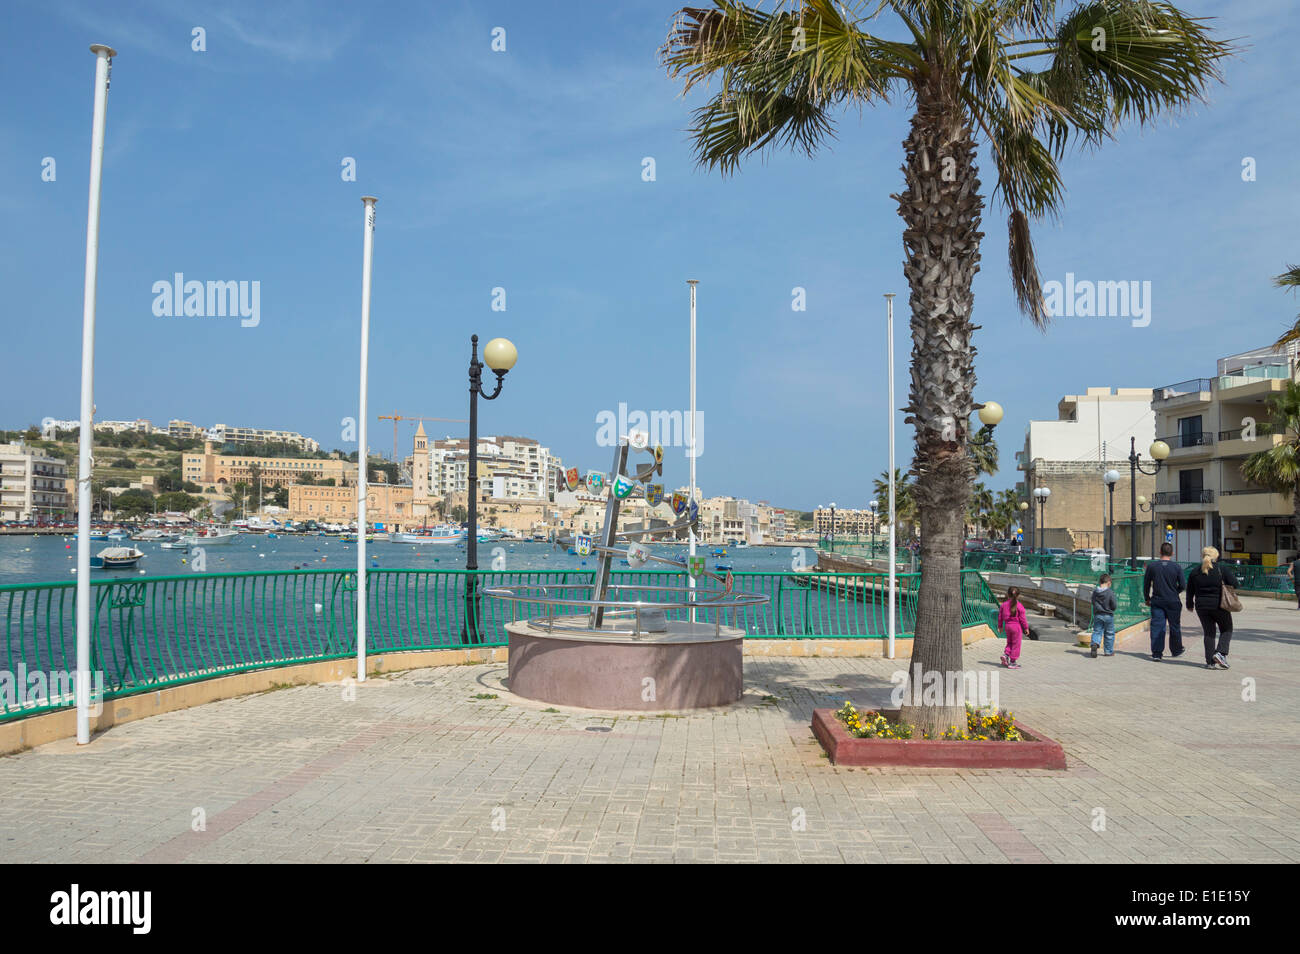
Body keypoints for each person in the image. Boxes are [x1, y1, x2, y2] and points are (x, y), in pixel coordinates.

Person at [1186, 546, 1238, 670]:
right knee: (1227, 629)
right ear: (1216, 556)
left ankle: (1210, 662)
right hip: (1219, 605)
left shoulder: (1195, 571)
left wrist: (1189, 604)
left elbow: (1189, 590)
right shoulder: (1222, 569)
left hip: (1201, 607)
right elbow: (1235, 583)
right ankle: (1220, 653)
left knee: (1209, 633)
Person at [1143, 541, 1186, 659]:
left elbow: (1146, 584)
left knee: (1157, 626)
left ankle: (1157, 653)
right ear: (1172, 553)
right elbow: (1182, 584)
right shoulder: (1176, 567)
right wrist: (1174, 592)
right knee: (1174, 626)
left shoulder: (1152, 566)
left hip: (1157, 600)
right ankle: (1176, 650)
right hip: (1173, 601)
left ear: (1160, 552)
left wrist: (1147, 598)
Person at [998, 586, 1028, 669]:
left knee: (1010, 642)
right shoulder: (1019, 605)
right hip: (1016, 627)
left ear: (1008, 595)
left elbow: (1000, 616)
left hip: (1007, 626)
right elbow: (1022, 618)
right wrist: (1026, 628)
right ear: (1018, 596)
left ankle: (1006, 655)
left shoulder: (1004, 605)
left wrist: (1000, 626)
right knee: (1016, 644)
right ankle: (1012, 662)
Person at [1090, 574, 1117, 657]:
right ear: (1109, 583)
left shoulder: (1095, 592)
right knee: (1109, 633)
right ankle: (1108, 651)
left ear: (1100, 582)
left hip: (1098, 615)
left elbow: (1093, 601)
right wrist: (1111, 609)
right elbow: (1114, 604)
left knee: (1097, 631)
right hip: (1108, 615)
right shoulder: (1110, 592)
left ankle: (1095, 643)